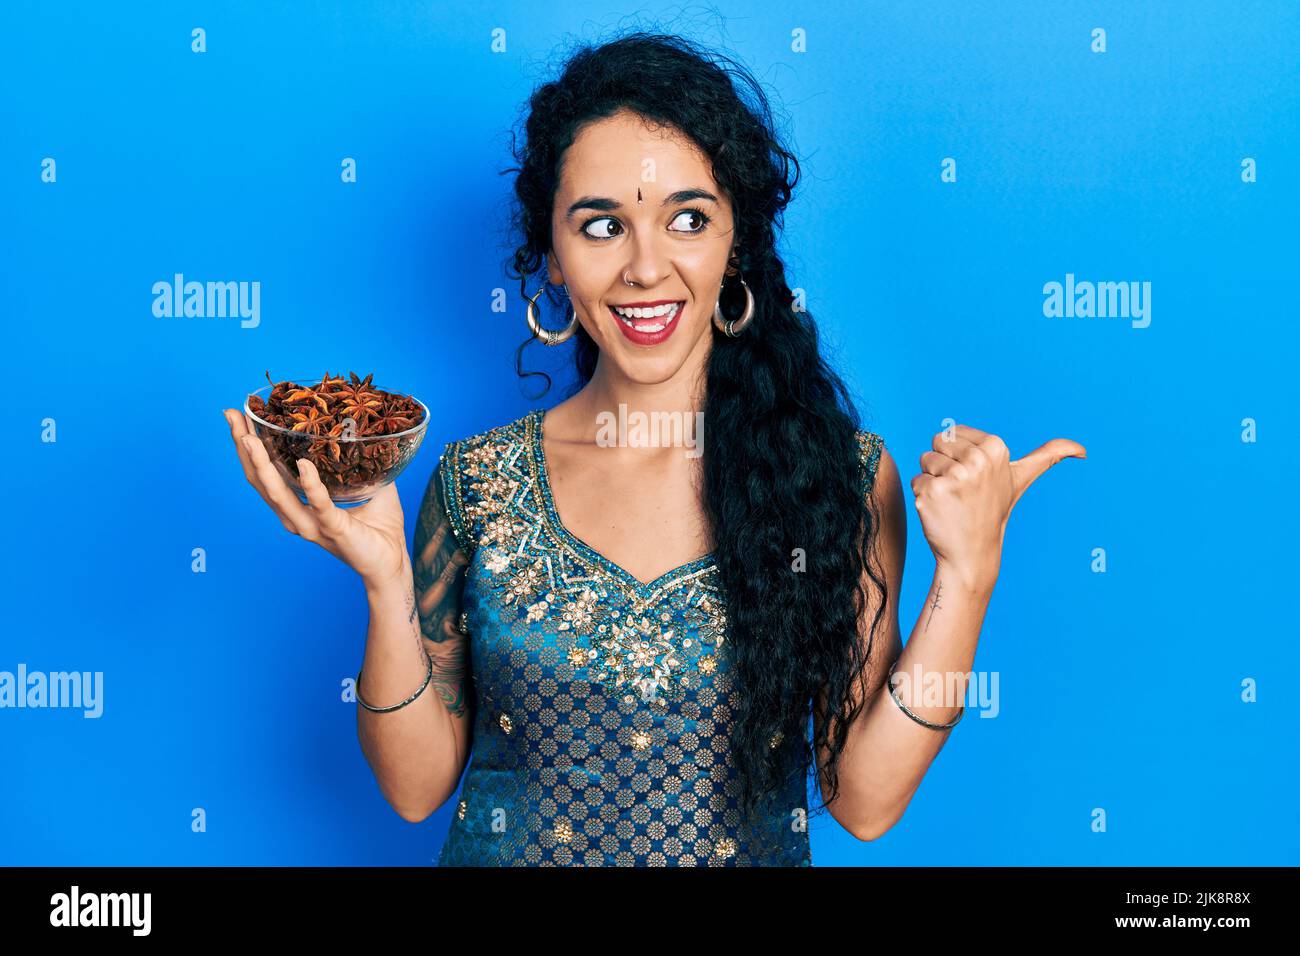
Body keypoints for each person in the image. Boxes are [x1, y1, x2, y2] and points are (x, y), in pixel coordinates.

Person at [222, 32, 1084, 866]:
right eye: (601, 227)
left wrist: (968, 579)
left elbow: (865, 800)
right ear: (551, 258)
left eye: (688, 219)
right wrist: (386, 587)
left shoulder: (841, 480)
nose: (644, 268)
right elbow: (415, 790)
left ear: (735, 242)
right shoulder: (475, 483)